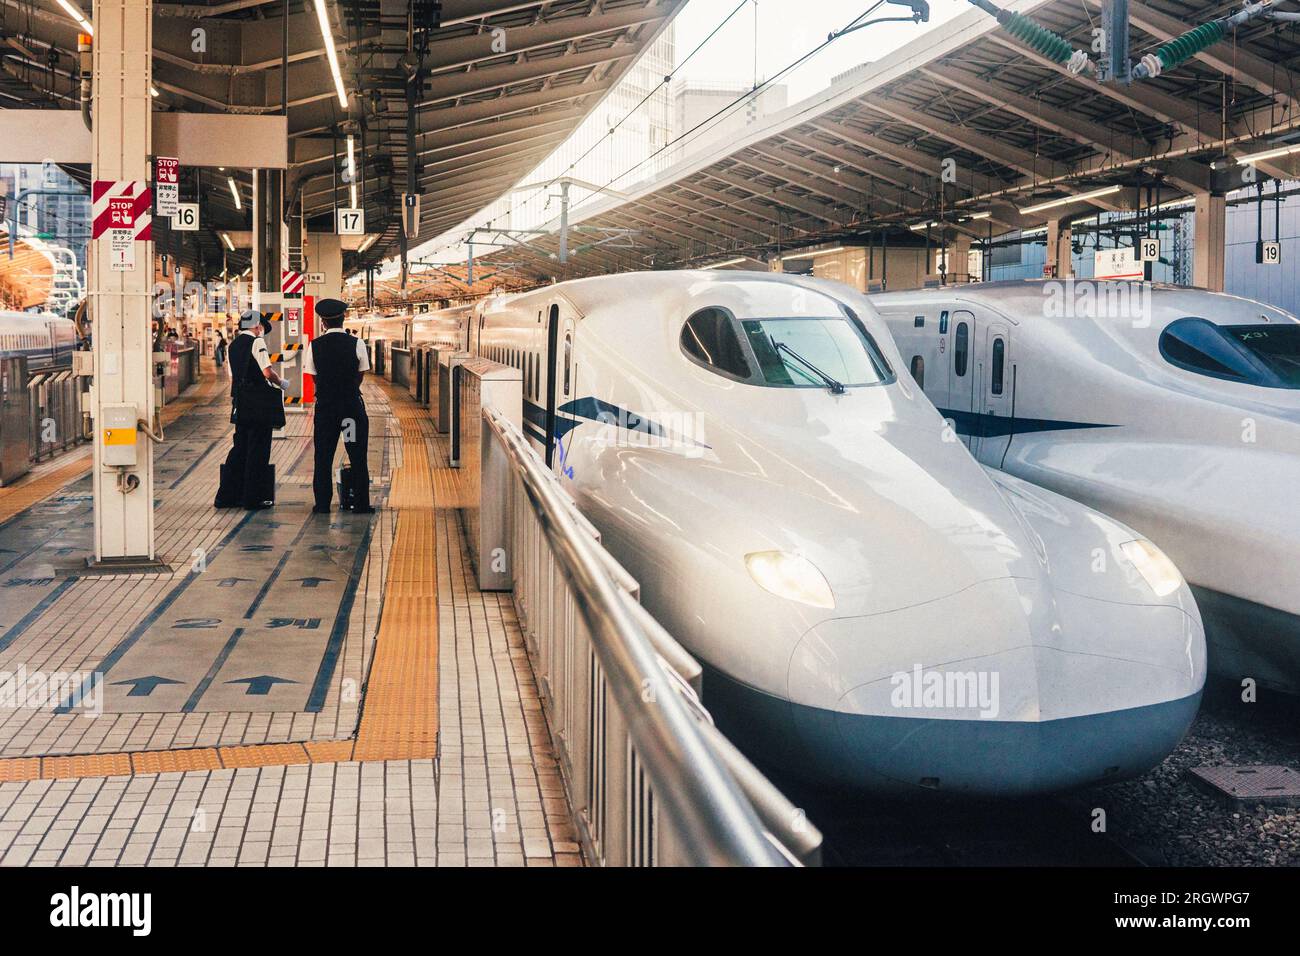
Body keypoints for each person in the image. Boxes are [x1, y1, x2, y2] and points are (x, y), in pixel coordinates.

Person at [303, 298, 373, 514]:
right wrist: (348, 389)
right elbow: (360, 373)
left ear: (323, 322)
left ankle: (322, 504)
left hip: (326, 410)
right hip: (350, 409)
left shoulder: (314, 346)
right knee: (356, 454)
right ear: (344, 319)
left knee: (323, 456)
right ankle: (361, 504)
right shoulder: (357, 343)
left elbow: (313, 376)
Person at [214, 309, 285, 510]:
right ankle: (252, 499)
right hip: (258, 405)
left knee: (239, 449)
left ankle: (226, 496)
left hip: (241, 402)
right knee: (258, 450)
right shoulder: (257, 342)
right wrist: (282, 383)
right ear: (256, 325)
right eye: (261, 327)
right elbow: (267, 372)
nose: (261, 330)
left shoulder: (233, 345)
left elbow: (233, 377)